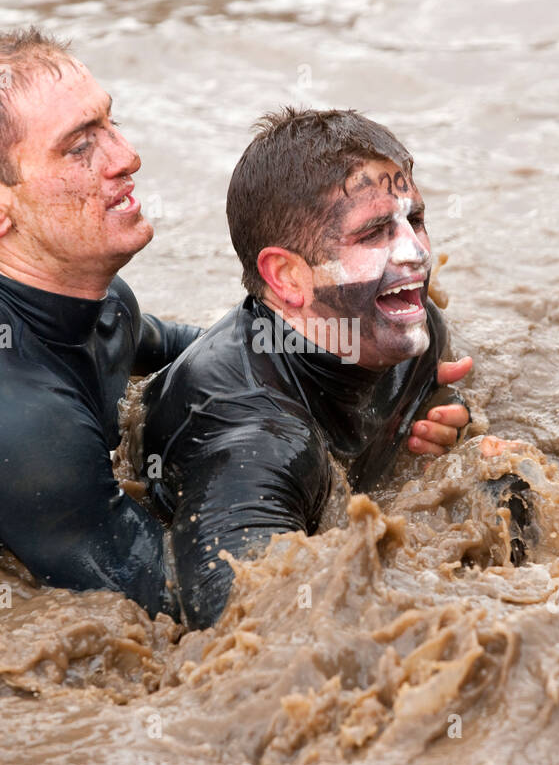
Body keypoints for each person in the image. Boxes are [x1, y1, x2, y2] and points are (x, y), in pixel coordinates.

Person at [0, 27, 463, 619]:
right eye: (80, 146)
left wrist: (373, 391)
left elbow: (210, 350)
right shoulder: (3, 415)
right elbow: (200, 610)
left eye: (111, 123)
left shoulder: (96, 306)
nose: (126, 156)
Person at [141, 107, 472, 628]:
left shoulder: (411, 329)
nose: (416, 253)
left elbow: (442, 420)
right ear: (288, 276)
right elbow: (249, 634)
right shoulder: (252, 437)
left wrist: (449, 433)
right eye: (376, 233)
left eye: (417, 220)